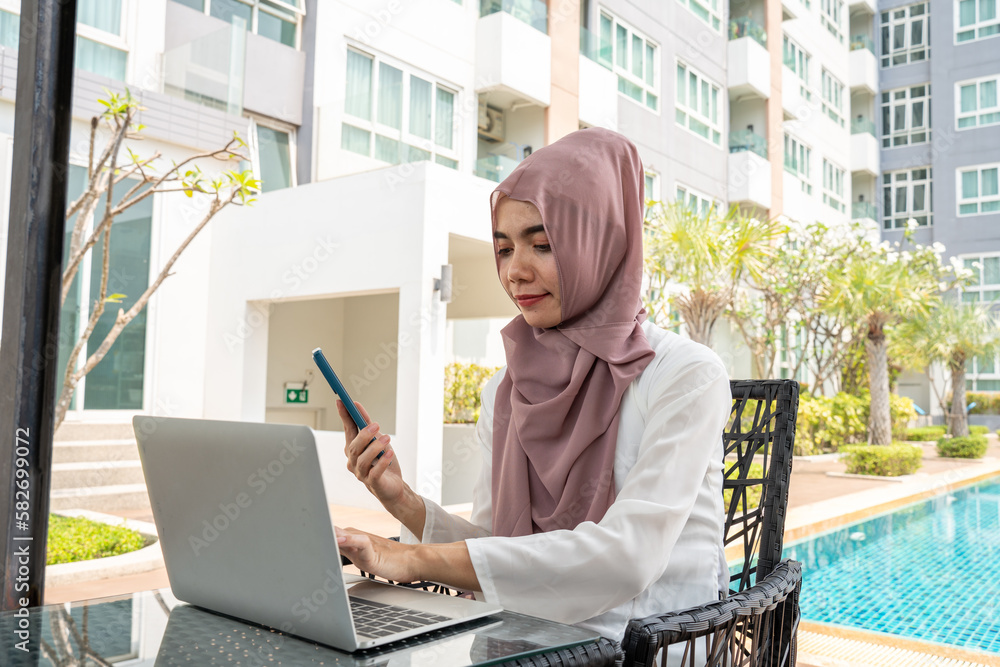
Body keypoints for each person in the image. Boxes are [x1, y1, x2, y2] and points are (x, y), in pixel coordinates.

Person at [335, 128, 730, 642]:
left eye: (542, 244)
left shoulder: (683, 373)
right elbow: (500, 544)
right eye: (502, 250)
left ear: (600, 244)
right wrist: (401, 499)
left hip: (646, 646)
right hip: (521, 638)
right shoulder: (506, 387)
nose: (515, 272)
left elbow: (627, 557)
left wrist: (413, 559)